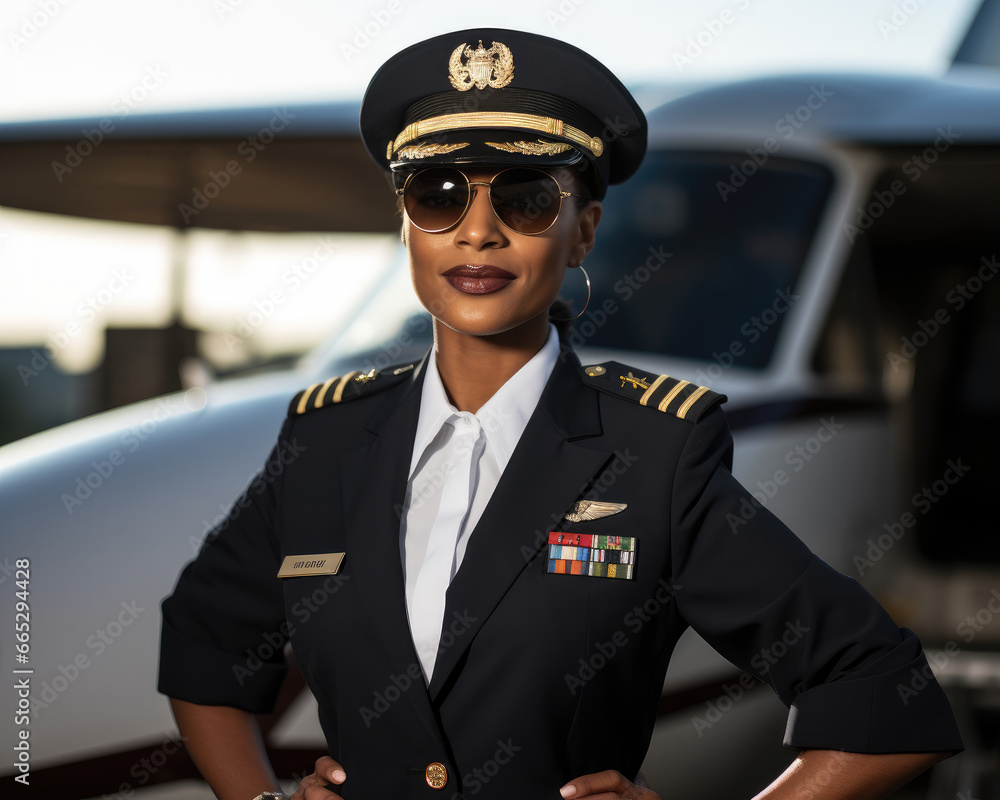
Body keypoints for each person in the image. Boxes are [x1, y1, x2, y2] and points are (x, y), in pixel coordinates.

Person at [158, 28, 963, 800]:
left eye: (527, 199)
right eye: (436, 195)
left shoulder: (653, 454)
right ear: (405, 227)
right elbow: (203, 639)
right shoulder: (326, 440)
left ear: (584, 233)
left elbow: (883, 692)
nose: (477, 231)